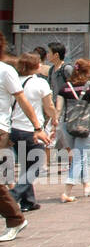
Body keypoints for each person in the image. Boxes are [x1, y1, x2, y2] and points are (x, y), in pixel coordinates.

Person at [56, 59, 90, 204]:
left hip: (68, 125)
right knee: (80, 156)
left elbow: (59, 109)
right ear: (87, 71)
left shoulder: (64, 87)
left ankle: (87, 185)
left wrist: (55, 124)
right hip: (85, 125)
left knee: (80, 155)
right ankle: (67, 191)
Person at [12, 53, 55, 211]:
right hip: (32, 130)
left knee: (26, 165)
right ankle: (13, 195)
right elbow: (49, 106)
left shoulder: (15, 81)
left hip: (15, 129)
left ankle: (28, 202)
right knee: (36, 165)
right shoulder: (40, 83)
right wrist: (54, 117)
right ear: (37, 66)